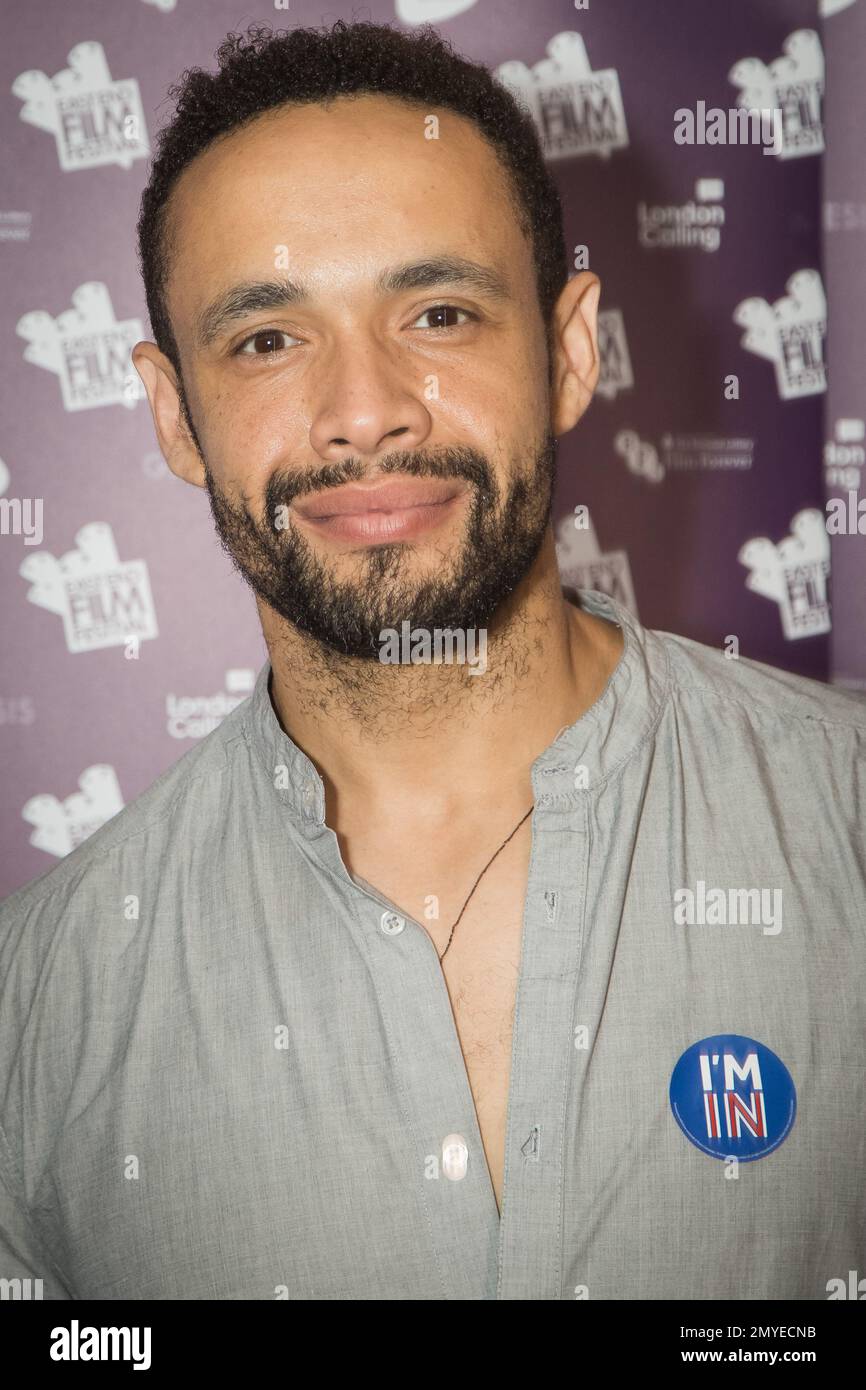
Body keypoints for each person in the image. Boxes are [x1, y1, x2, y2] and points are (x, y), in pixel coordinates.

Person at [1, 20, 864, 1302]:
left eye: (439, 311)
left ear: (568, 351)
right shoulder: (38, 1004)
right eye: (267, 339)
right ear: (176, 412)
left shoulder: (843, 812)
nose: (364, 409)